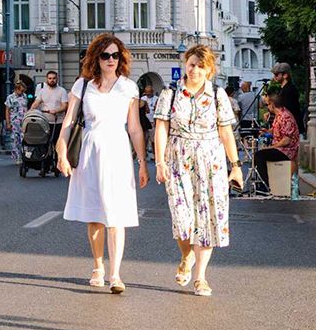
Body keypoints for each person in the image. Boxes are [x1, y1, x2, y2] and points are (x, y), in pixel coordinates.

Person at [55, 34, 148, 295]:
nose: (111, 60)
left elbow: (135, 128)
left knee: (116, 215)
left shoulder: (128, 87)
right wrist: (62, 153)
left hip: (117, 150)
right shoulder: (82, 85)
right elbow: (68, 123)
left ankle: (115, 274)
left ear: (121, 58)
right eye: (105, 55)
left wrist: (142, 162)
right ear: (96, 58)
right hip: (89, 151)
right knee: (95, 215)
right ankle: (98, 265)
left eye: (115, 55)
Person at [153, 45, 242, 297]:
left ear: (209, 70)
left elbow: (226, 133)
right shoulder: (170, 93)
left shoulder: (218, 95)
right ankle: (186, 255)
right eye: (191, 64)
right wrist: (159, 162)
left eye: (201, 66)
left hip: (211, 161)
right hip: (177, 159)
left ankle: (201, 277)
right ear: (185, 64)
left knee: (207, 218)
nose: (195, 70)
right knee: (182, 218)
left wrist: (235, 166)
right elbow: (161, 129)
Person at [254, 88, 301, 195]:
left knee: (259, 155)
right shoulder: (279, 115)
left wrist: (271, 147)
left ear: (272, 104)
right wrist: (267, 131)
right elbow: (277, 130)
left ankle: (266, 186)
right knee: (260, 154)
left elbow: (286, 140)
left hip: (287, 150)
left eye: (267, 105)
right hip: (281, 148)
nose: (267, 107)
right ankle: (265, 184)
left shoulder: (285, 117)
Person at [30, 70, 68, 147]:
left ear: (57, 79)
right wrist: (31, 111)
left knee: (56, 143)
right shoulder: (42, 91)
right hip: (45, 122)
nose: (52, 80)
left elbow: (64, 106)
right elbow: (36, 103)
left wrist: (56, 111)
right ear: (46, 79)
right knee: (45, 143)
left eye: (54, 78)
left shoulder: (62, 91)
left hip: (58, 122)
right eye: (50, 78)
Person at [4, 80, 30, 157]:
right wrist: (8, 123)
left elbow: (26, 107)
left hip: (24, 120)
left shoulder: (24, 96)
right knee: (15, 139)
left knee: (24, 138)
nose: (22, 92)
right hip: (14, 121)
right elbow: (7, 111)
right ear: (16, 89)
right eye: (21, 90)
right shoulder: (10, 97)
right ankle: (17, 156)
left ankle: (24, 155)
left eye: (23, 91)